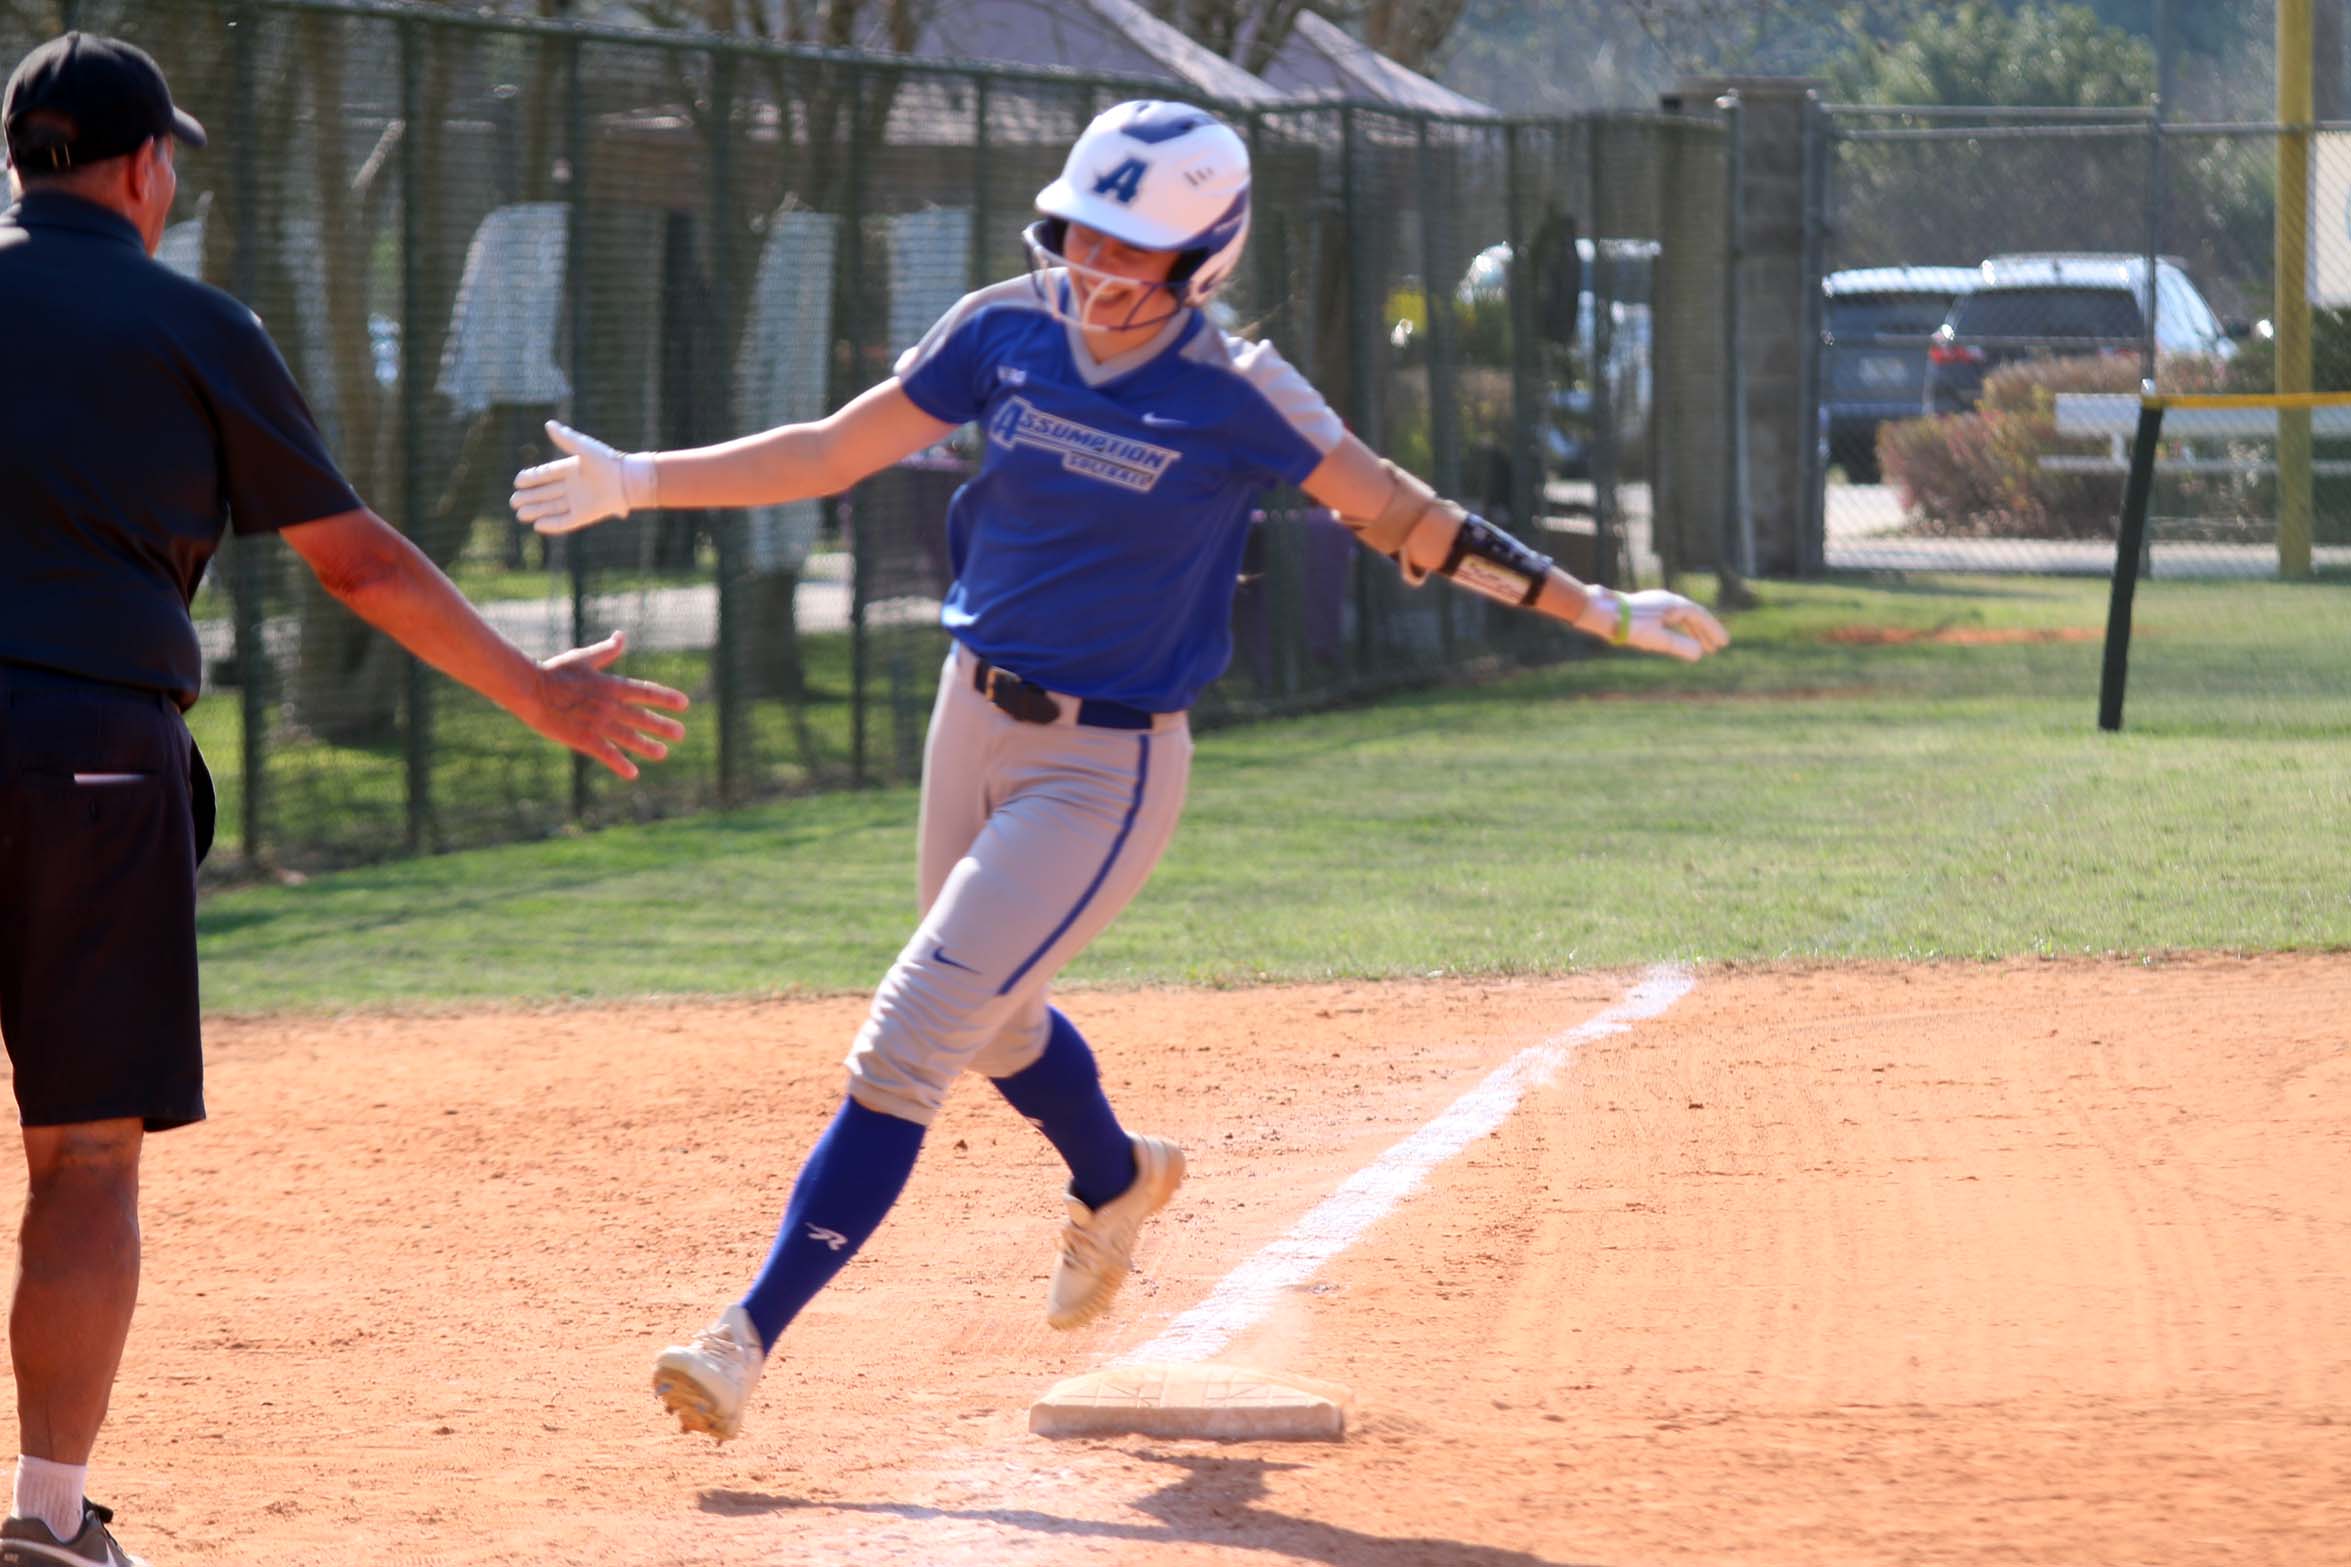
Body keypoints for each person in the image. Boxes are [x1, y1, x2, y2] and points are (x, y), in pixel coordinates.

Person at [511, 98, 1726, 1445]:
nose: (1097, 266)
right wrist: (637, 480)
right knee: (995, 1026)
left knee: (912, 1032)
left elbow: (1406, 520)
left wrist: (1601, 608)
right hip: (967, 715)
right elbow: (832, 450)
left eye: (1133, 249)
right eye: (1083, 233)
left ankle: (744, 1337)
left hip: (1106, 765)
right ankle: (1119, 1178)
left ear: (1205, 259)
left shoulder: (1240, 391)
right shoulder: (1002, 331)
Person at [0, 33, 690, 1563]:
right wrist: (546, 694)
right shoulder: (191, 323)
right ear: (139, 171)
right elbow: (358, 561)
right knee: (86, 1153)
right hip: (93, 752)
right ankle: (47, 1519)